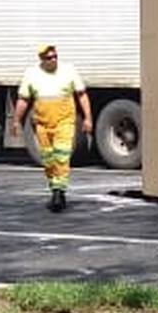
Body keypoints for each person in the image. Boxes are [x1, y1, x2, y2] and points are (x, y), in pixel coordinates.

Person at [12, 42, 94, 212]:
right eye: (49, 57)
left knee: (61, 156)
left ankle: (59, 193)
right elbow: (23, 100)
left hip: (64, 121)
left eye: (55, 56)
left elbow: (81, 95)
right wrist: (16, 121)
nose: (53, 59)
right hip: (42, 123)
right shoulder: (32, 73)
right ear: (41, 59)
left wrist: (88, 118)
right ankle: (54, 188)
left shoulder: (68, 70)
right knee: (48, 159)